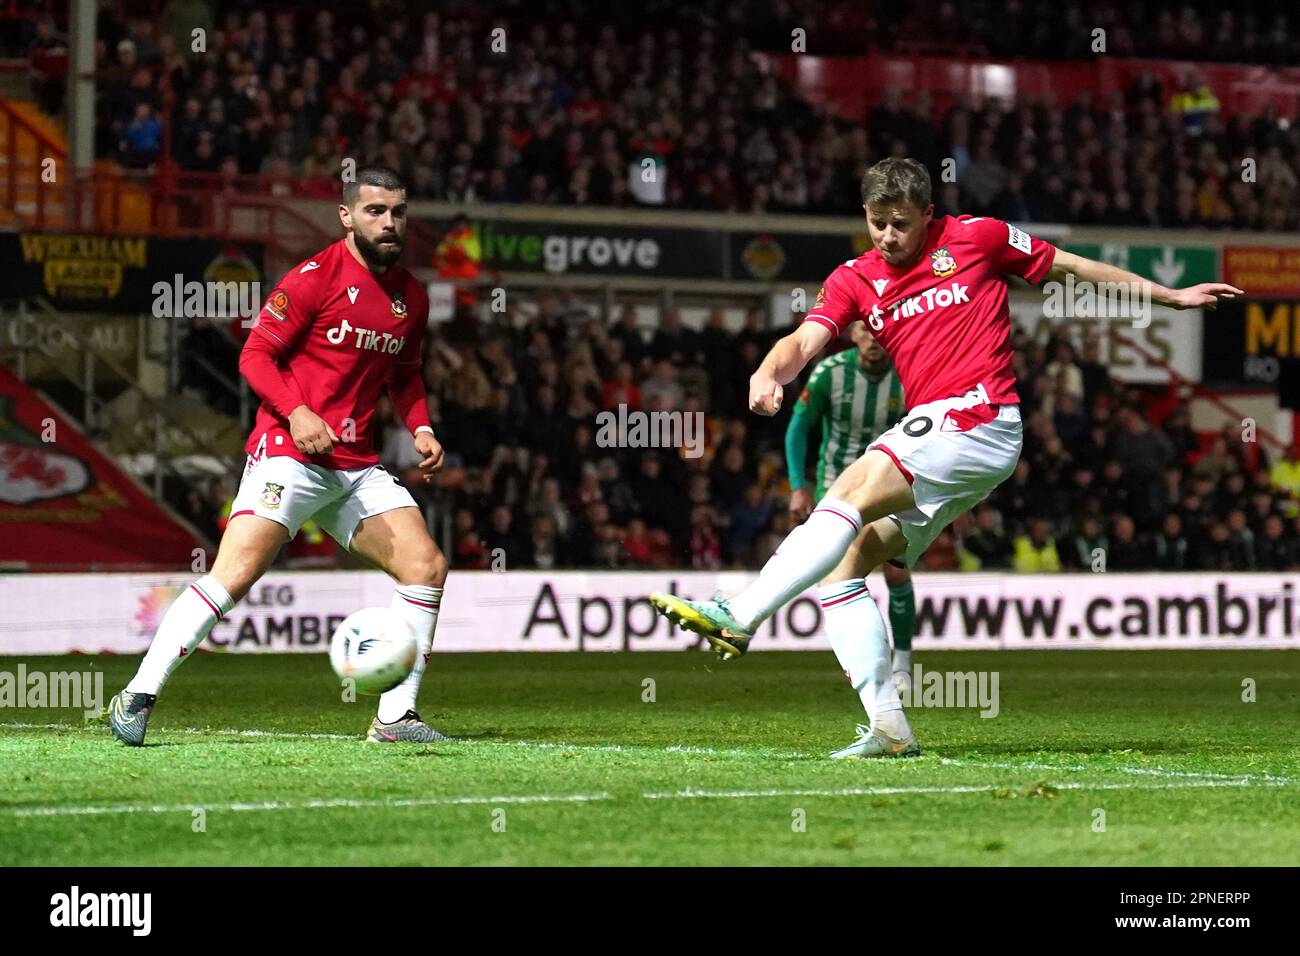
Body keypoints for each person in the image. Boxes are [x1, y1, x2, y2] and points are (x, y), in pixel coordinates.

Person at [650, 157, 1242, 759]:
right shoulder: (854, 277)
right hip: (951, 442)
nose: (887, 236)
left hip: (979, 414)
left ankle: (740, 614)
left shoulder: (977, 236)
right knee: (845, 562)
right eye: (877, 222)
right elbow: (805, 338)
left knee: (847, 492)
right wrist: (766, 371)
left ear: (928, 215)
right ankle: (889, 728)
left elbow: (1069, 266)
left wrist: (1168, 296)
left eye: (900, 223)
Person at [109, 166, 454, 746]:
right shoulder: (313, 278)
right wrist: (297, 411)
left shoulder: (409, 298)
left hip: (354, 465)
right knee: (234, 577)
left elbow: (404, 374)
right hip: (288, 454)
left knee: (427, 568)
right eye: (375, 211)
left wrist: (420, 427)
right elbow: (255, 356)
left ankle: (396, 719)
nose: (389, 222)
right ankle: (137, 694)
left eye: (397, 212)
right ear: (346, 216)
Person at [784, 323, 917, 696]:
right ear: (854, 334)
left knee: (895, 574)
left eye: (879, 329)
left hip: (890, 485)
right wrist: (798, 486)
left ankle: (903, 663)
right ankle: (859, 663)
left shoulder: (909, 374)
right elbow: (799, 427)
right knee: (836, 572)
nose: (873, 338)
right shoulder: (830, 373)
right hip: (837, 487)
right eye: (864, 329)